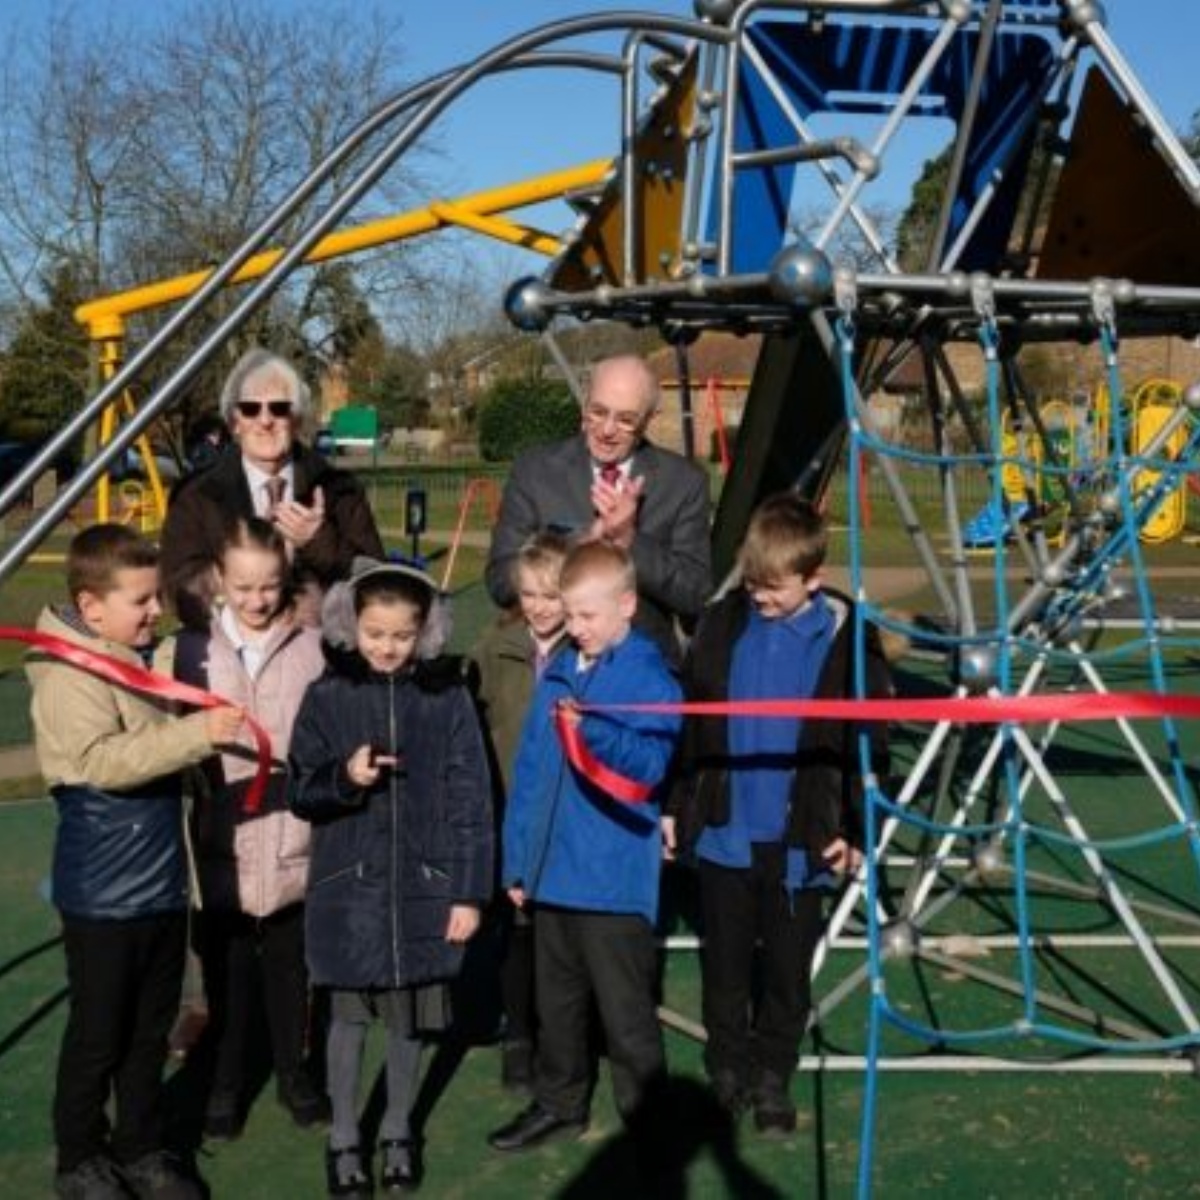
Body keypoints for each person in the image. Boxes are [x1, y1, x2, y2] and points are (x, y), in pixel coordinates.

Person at [25, 524, 244, 1200]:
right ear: (92, 608)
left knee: (150, 1031)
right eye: (142, 601)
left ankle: (142, 1146)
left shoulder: (134, 654)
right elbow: (98, 764)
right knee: (100, 1033)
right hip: (102, 892)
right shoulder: (68, 676)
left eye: (158, 599)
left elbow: (157, 699)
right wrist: (195, 734)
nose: (157, 611)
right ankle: (80, 1158)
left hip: (157, 882)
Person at [665, 492, 889, 1135]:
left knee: (787, 977)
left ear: (813, 578)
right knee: (725, 969)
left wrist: (851, 830)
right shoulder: (721, 624)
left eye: (773, 589)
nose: (760, 598)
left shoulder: (845, 639)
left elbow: (866, 747)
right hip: (727, 836)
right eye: (753, 584)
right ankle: (726, 1069)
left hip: (801, 842)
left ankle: (772, 1078)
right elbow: (692, 727)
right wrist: (680, 807)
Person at [289, 559, 493, 1198]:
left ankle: (399, 1129)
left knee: (408, 1021)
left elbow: (473, 799)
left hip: (424, 888)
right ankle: (345, 1136)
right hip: (349, 890)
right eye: (375, 632)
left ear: (425, 633)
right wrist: (344, 780)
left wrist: (467, 891)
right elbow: (300, 789)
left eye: (401, 635)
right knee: (347, 1021)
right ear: (353, 624)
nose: (386, 647)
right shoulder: (327, 694)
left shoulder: (448, 695)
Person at [488, 541, 682, 1171]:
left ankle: (648, 1123)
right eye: (570, 615)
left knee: (626, 1016)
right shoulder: (564, 670)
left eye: (587, 616)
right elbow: (534, 773)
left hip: (611, 881)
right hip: (553, 876)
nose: (575, 627)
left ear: (626, 605)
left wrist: (591, 727)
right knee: (559, 1008)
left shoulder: (649, 677)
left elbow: (650, 765)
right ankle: (559, 1103)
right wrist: (518, 862)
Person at [170, 516, 328, 1141]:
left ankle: (294, 1076)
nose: (257, 600)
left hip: (292, 844)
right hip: (223, 848)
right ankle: (225, 1086)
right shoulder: (190, 653)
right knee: (225, 978)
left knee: (291, 977)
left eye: (269, 587)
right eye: (243, 588)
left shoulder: (310, 648)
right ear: (218, 581)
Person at [484, 354, 712, 660]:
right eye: (598, 412)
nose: (606, 430)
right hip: (549, 665)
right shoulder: (535, 470)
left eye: (626, 420)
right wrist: (579, 546)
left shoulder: (683, 482)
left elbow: (696, 594)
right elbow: (500, 581)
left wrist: (630, 542)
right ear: (584, 404)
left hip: (640, 674)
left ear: (648, 420)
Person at [160, 347, 384, 629]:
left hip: (323, 657)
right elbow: (178, 589)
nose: (265, 421)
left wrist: (319, 543)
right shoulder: (196, 495)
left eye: (279, 408)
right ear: (235, 423)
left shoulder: (339, 490)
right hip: (228, 661)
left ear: (297, 419)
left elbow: (378, 586)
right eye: (250, 409)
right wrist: (245, 576)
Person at [471, 531, 570, 1093]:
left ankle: (559, 1032)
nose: (538, 606)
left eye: (551, 594)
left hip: (564, 817)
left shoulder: (586, 651)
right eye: (529, 593)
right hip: (510, 811)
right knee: (514, 931)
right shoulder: (496, 646)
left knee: (557, 934)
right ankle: (519, 1035)